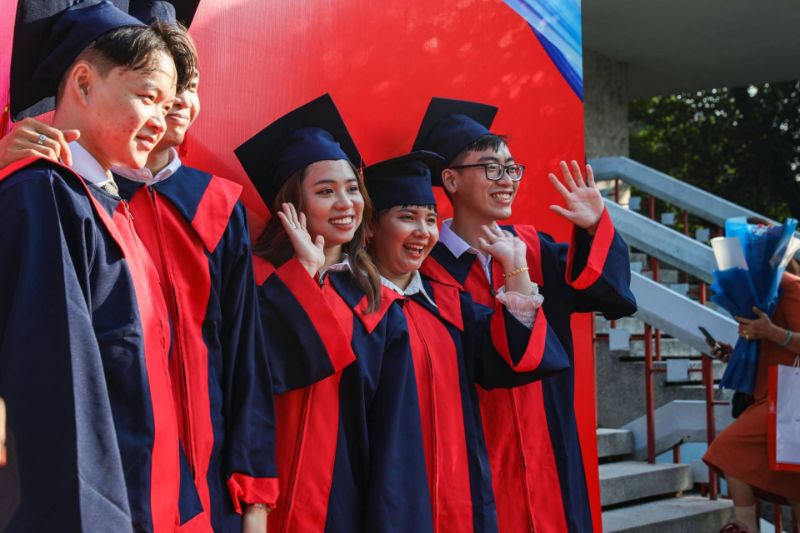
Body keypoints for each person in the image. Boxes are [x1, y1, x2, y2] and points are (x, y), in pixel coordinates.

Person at [0, 1, 197, 530]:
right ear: (83, 84)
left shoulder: (105, 205)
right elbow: (61, 389)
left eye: (168, 103)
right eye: (147, 96)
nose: (161, 119)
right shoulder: (44, 196)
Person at [413, 97, 637, 533]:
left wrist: (594, 227)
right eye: (491, 168)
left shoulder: (534, 249)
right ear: (451, 180)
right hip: (474, 448)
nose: (507, 179)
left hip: (545, 443)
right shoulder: (426, 266)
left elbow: (607, 297)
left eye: (512, 168)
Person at [110, 4, 278, 531]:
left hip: (206, 484)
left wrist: (253, 497)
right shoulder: (78, 192)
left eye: (192, 82)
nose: (182, 97)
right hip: (112, 478)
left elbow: (245, 361)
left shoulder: (217, 207)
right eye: (165, 82)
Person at [237, 94, 433, 532]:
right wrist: (303, 275)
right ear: (292, 205)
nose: (346, 203)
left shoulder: (378, 305)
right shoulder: (252, 282)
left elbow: (395, 446)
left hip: (344, 508)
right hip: (255, 499)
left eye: (351, 189)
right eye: (325, 191)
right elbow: (248, 386)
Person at [362, 151, 571, 531]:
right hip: (386, 492)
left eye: (429, 218)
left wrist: (515, 270)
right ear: (371, 227)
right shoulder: (351, 305)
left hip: (460, 492)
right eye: (407, 217)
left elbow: (515, 359)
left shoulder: (447, 303)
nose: (423, 231)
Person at [704, 274, 800, 533]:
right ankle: (745, 524)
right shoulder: (765, 290)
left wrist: (773, 332)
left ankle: (745, 525)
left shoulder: (789, 286)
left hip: (786, 399)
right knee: (793, 483)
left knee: (729, 449)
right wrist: (733, 356)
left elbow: (783, 340)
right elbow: (771, 350)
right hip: (773, 398)